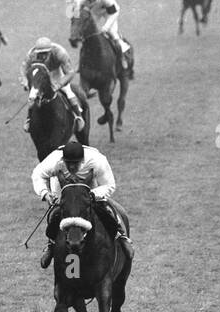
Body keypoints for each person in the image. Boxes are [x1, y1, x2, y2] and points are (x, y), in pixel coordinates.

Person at [30, 137, 134, 267]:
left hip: (90, 187)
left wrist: (93, 195)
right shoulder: (54, 160)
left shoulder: (97, 160)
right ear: (63, 160)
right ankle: (51, 244)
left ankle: (121, 236)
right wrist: (45, 193)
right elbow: (37, 175)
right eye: (69, 163)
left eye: (76, 163)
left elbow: (109, 185)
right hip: (63, 187)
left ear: (83, 161)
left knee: (104, 208)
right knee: (55, 212)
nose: (72, 167)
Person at [20, 36, 88, 135]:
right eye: (40, 54)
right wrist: (25, 82)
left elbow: (70, 72)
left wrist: (59, 84)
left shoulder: (60, 53)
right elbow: (23, 69)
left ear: (50, 51)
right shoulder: (31, 54)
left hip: (56, 73)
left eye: (45, 54)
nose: (42, 56)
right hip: (40, 75)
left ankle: (78, 116)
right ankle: (29, 119)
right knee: (33, 95)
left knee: (67, 91)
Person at [70, 0, 135, 80]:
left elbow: (114, 12)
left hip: (110, 12)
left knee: (113, 33)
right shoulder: (79, 0)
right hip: (94, 13)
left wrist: (106, 27)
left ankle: (122, 58)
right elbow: (76, 17)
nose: (91, 0)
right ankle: (82, 63)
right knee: (89, 37)